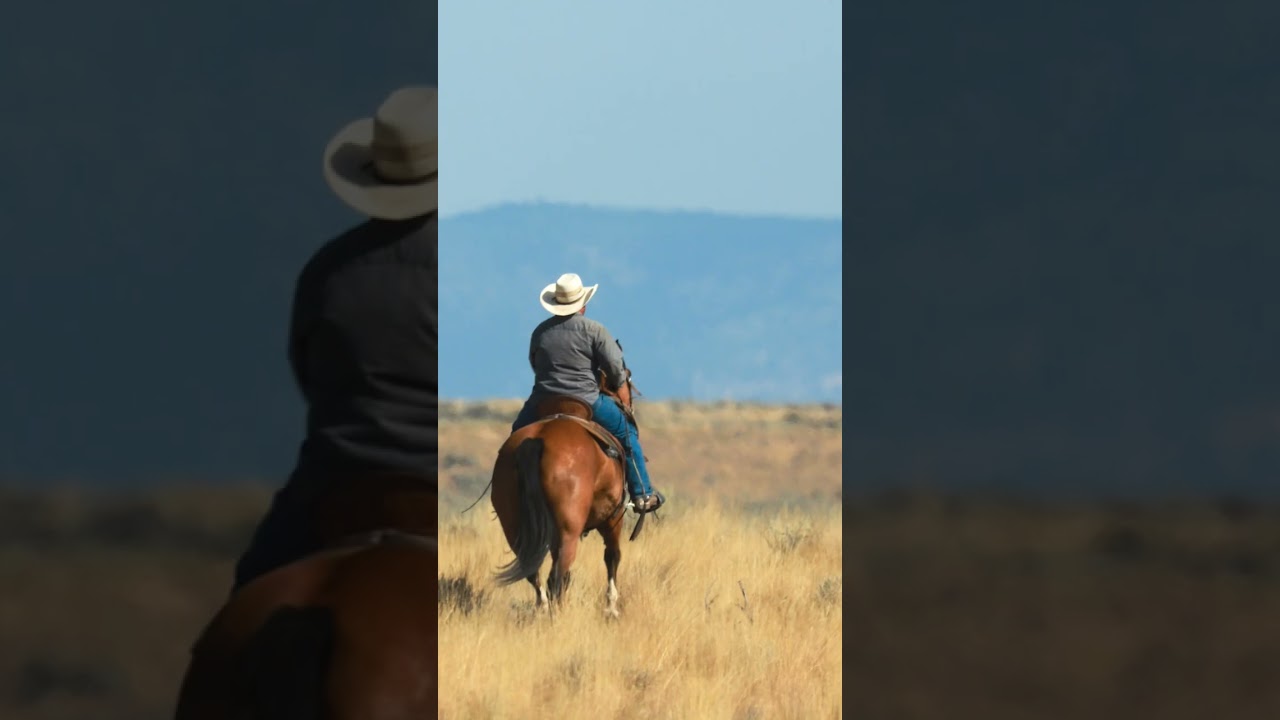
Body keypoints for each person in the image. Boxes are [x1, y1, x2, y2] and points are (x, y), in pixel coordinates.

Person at [230, 86, 438, 591]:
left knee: (251, 592)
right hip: (456, 479)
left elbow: (310, 376)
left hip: (342, 479)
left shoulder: (327, 272)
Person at [510, 273, 665, 514]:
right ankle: (643, 493)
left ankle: (512, 491)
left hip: (543, 401)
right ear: (582, 304)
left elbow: (535, 365)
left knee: (515, 437)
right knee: (628, 433)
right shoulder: (594, 330)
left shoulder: (540, 332)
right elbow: (616, 370)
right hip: (586, 401)